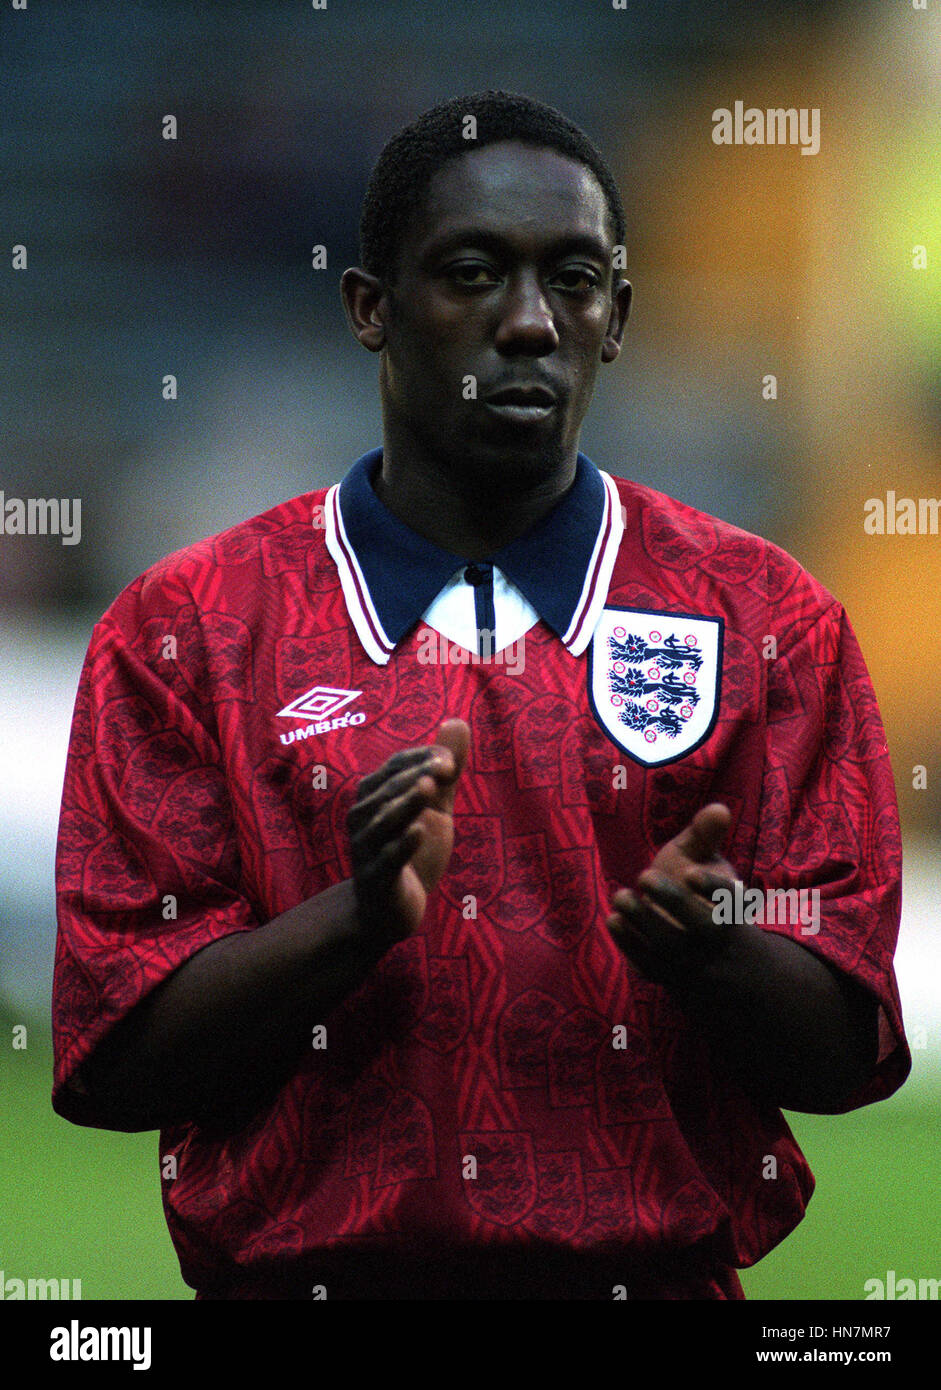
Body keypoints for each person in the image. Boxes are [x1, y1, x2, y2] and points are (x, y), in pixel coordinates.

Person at [52, 90, 910, 1301]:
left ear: (617, 319)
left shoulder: (766, 622)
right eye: (470, 272)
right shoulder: (186, 630)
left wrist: (714, 946)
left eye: (573, 279)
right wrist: (348, 922)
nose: (527, 323)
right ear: (369, 308)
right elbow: (110, 1064)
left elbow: (846, 1054)